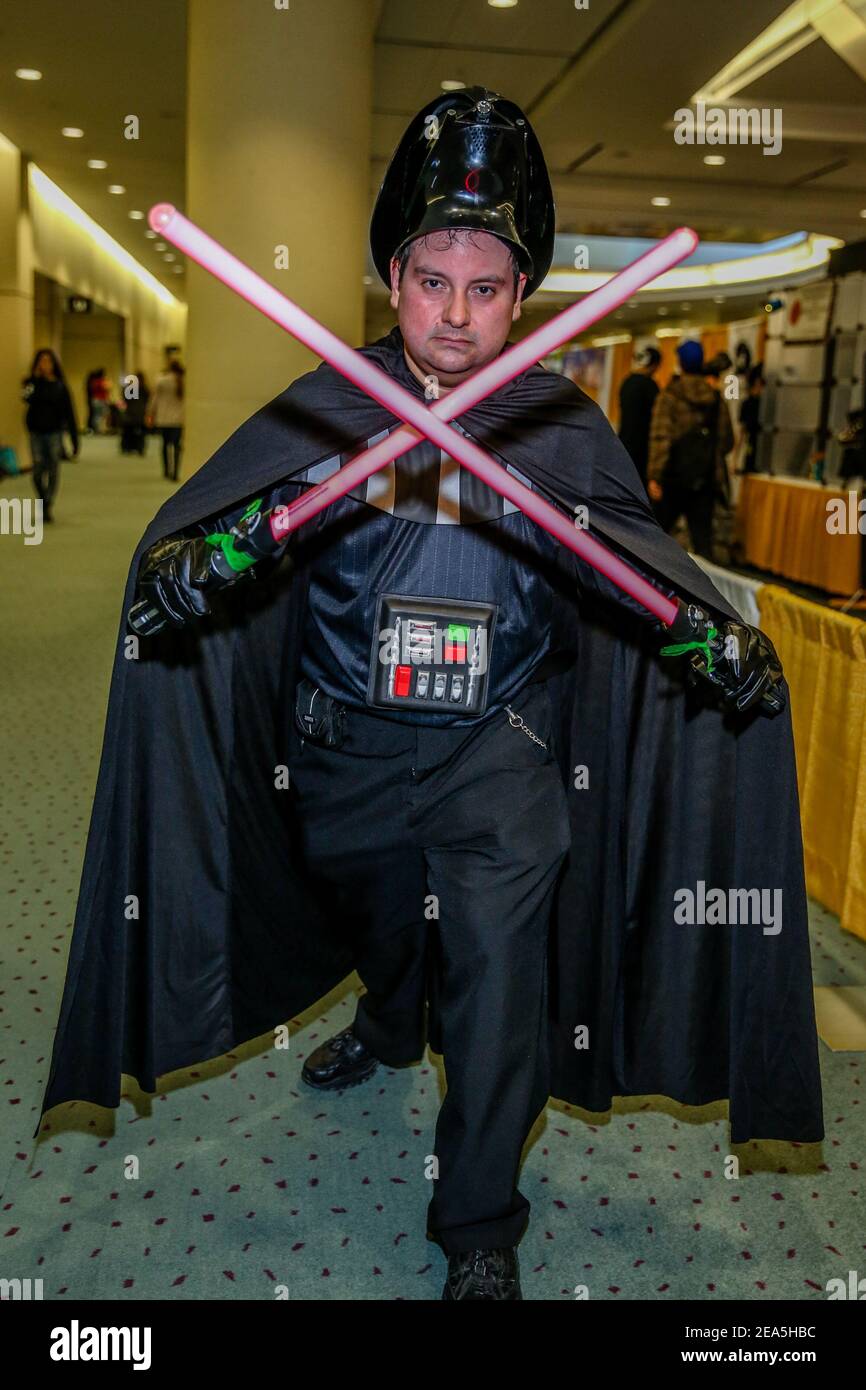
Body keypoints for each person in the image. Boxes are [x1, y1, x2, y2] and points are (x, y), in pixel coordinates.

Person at [39, 88, 822, 1302]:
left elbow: (638, 577)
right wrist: (195, 571)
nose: (454, 317)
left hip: (497, 750)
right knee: (380, 923)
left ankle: (478, 1225)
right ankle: (389, 1017)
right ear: (392, 277)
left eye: (486, 287)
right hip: (341, 744)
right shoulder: (331, 402)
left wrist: (709, 644)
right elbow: (227, 534)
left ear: (521, 297)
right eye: (430, 283)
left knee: (498, 974)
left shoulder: (552, 423)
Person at [646, 339, 733, 559]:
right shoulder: (715, 399)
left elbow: (660, 438)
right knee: (703, 542)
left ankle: (648, 587)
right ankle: (703, 590)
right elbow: (726, 441)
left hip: (672, 479)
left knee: (654, 537)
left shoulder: (670, 396)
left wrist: (655, 476)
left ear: (680, 363)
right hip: (704, 481)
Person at [21, 348, 79, 524]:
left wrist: (75, 439)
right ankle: (43, 499)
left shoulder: (60, 386)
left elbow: (69, 413)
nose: (44, 364)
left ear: (54, 364)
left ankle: (47, 505)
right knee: (38, 471)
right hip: (36, 433)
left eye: (48, 361)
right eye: (41, 361)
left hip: (54, 432)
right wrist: (35, 379)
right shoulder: (32, 383)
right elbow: (25, 398)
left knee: (53, 469)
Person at [617, 344, 660, 489]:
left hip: (624, 443)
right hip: (643, 448)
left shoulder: (627, 382)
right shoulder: (650, 386)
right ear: (654, 365)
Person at [147, 360, 185, 481]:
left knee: (164, 444)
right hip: (178, 419)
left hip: (163, 418)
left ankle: (166, 470)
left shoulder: (162, 380)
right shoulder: (183, 381)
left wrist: (150, 413)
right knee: (176, 445)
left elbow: (155, 398)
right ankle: (175, 472)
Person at [738, 365, 765, 474]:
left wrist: (735, 460)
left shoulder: (748, 403)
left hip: (753, 456)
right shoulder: (757, 404)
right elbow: (742, 432)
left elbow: (741, 432)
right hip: (754, 454)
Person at [119, 370, 151, 456]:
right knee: (140, 433)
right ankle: (140, 448)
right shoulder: (145, 389)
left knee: (128, 432)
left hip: (130, 413)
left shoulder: (130, 388)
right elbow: (147, 400)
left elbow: (125, 399)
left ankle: (127, 447)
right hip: (140, 414)